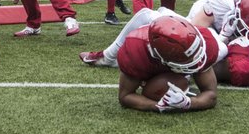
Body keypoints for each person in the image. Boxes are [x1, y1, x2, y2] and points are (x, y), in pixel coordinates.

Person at [80, 11, 225, 113]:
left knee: (223, 50)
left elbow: (211, 95)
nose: (195, 61)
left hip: (171, 24)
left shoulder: (204, 42)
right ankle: (106, 56)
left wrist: (189, 103)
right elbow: (125, 96)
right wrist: (157, 106)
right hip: (149, 33)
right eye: (187, 59)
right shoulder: (136, 51)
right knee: (144, 14)